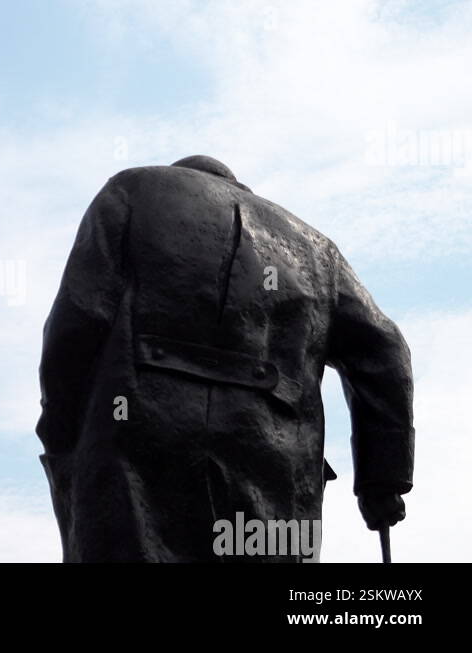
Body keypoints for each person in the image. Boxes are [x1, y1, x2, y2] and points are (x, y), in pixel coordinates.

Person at [36, 155, 414, 562]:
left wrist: (61, 432)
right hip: (276, 461)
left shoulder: (131, 191)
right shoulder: (319, 253)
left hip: (138, 441)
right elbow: (385, 352)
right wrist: (382, 481)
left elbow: (77, 321)